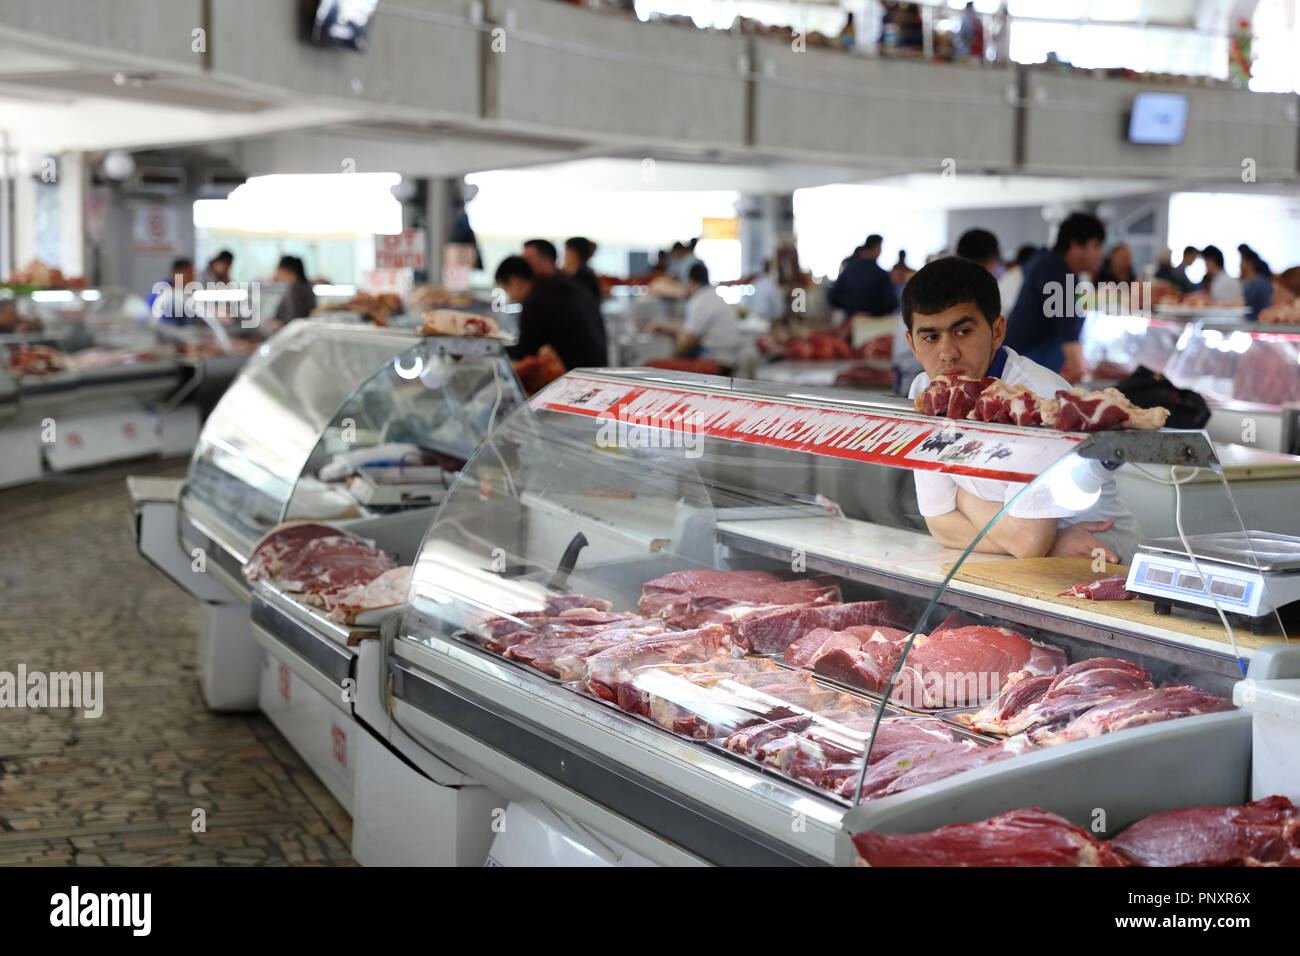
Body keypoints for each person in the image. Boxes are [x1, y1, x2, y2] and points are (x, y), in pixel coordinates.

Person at [904, 257, 1140, 562]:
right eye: (931, 337)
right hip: (1042, 556)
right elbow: (941, 526)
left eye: (963, 332)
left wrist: (960, 497)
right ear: (912, 343)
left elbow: (1028, 541)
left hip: (1101, 559)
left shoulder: (1039, 400)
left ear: (998, 331)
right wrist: (1049, 544)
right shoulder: (926, 392)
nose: (947, 353)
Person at [1004, 212, 1105, 383]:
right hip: (1027, 368)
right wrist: (1079, 371)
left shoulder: (1046, 262)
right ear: (1075, 245)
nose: (1099, 254)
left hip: (1030, 367)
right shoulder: (1056, 271)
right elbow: (1068, 331)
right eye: (1095, 246)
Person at [495, 255, 607, 371]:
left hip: (577, 371)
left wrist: (494, 350)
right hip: (596, 365)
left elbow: (526, 350)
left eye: (506, 291)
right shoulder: (559, 284)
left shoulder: (535, 299)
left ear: (515, 282)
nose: (510, 298)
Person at [677, 263, 741, 375]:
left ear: (690, 282)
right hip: (730, 360)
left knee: (657, 365)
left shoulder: (699, 301)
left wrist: (673, 353)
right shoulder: (714, 296)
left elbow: (689, 341)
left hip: (716, 363)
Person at [828, 234, 897, 317]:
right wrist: (873, 312)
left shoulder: (849, 271)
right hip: (875, 324)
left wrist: (850, 309)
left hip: (852, 323)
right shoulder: (881, 274)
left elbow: (832, 297)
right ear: (877, 248)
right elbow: (892, 304)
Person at [149, 257, 195, 324]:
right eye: (189, 274)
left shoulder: (187, 291)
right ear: (176, 274)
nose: (192, 278)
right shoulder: (162, 290)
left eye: (193, 274)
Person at [273, 255, 317, 323]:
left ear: (287, 270)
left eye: (279, 270)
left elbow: (295, 318)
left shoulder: (296, 289)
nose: (277, 273)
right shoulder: (303, 286)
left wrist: (279, 324)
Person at [564, 236, 603, 305]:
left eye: (566, 251)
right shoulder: (585, 274)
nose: (564, 256)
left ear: (573, 253)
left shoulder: (582, 277)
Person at [1239, 247, 1273, 321]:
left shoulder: (1258, 285)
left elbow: (1244, 303)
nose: (1240, 265)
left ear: (1250, 264)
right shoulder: (1257, 282)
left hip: (1258, 324)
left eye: (1242, 261)